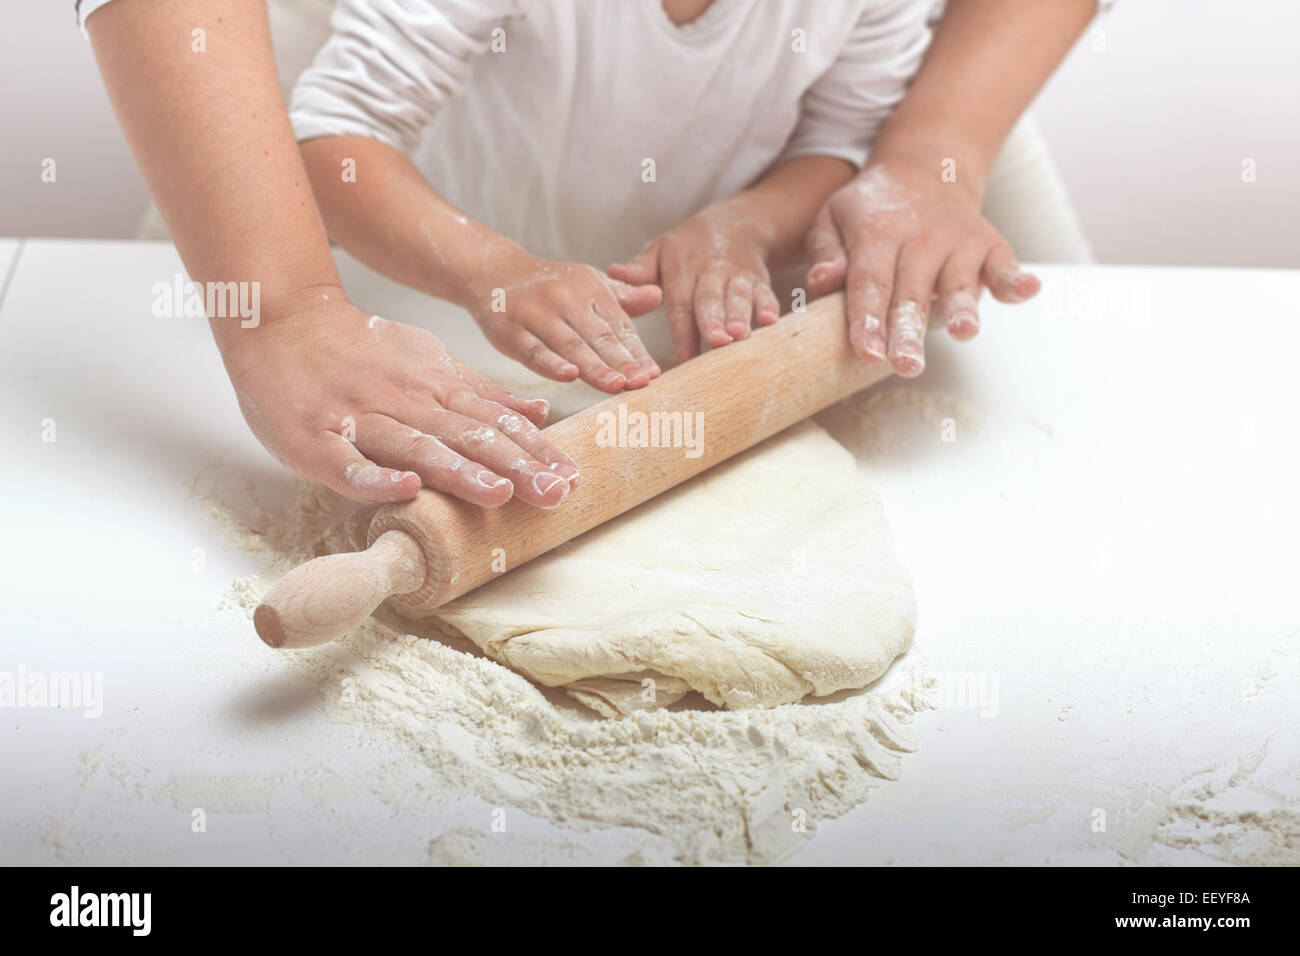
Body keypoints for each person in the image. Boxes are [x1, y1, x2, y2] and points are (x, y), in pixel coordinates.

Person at [80, 0, 1102, 505]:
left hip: (716, 246)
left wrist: (762, 217)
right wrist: (294, 309)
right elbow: (340, 136)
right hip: (453, 217)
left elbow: (845, 136)